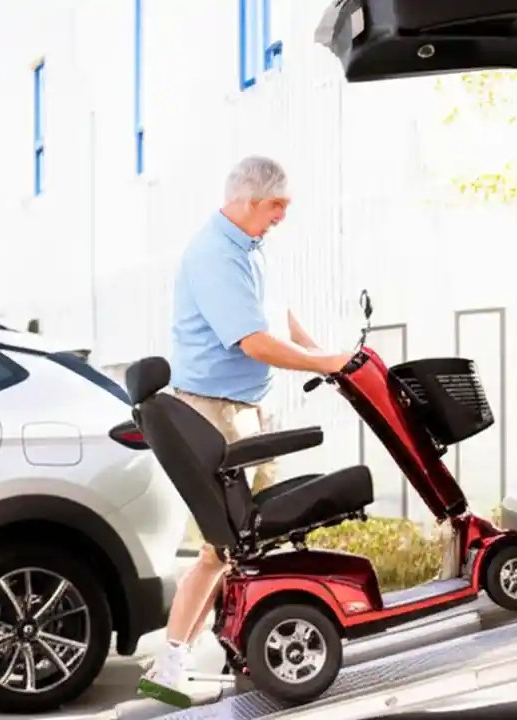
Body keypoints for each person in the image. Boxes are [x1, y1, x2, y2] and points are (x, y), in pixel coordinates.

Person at [138, 155, 353, 707]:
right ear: (248, 200)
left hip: (247, 408)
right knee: (222, 544)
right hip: (217, 411)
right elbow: (253, 342)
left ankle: (229, 651)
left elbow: (278, 321)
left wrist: (329, 357)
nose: (283, 216)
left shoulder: (251, 250)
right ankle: (173, 662)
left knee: (247, 544)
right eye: (277, 205)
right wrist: (326, 364)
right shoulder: (215, 255)